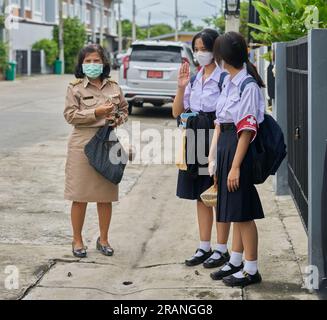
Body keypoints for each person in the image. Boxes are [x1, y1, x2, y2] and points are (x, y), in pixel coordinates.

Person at [208, 31, 265, 287]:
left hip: (239, 150)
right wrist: (215, 158)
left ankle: (251, 269)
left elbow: (247, 130)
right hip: (227, 147)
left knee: (243, 213)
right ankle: (236, 260)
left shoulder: (247, 86)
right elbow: (222, 122)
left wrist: (234, 166)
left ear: (223, 58)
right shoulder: (230, 82)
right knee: (233, 209)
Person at [172, 29, 231, 269]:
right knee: (201, 195)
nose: (200, 53)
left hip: (218, 137)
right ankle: (204, 246)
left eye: (204, 48)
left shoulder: (224, 78)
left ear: (215, 50)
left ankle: (222, 249)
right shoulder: (194, 79)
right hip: (195, 138)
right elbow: (177, 113)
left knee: (219, 195)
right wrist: (180, 87)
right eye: (196, 49)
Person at [63, 44, 128, 258]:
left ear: (104, 63)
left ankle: (104, 239)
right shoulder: (75, 88)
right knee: (79, 196)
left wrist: (116, 119)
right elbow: (70, 116)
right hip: (82, 144)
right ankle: (77, 239)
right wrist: (96, 112)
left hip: (107, 142)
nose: (93, 65)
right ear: (82, 64)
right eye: (88, 61)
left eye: (97, 61)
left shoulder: (113, 87)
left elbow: (125, 110)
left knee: (105, 196)